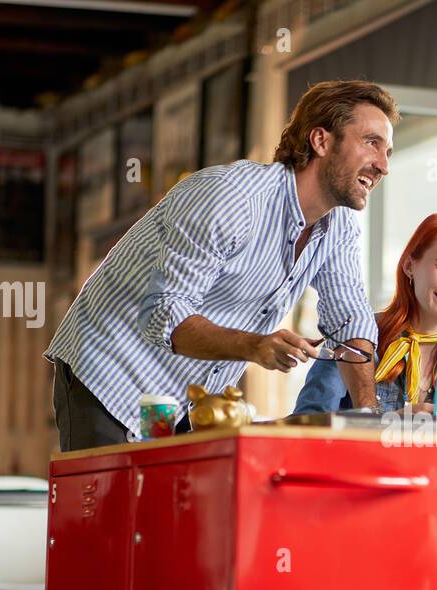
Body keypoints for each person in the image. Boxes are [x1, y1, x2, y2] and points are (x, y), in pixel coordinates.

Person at [44, 79, 399, 452]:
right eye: (371, 143)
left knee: (174, 509)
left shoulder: (338, 227)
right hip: (112, 374)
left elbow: (350, 321)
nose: (384, 165)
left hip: (186, 398)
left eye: (388, 150)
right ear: (321, 141)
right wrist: (256, 346)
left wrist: (369, 418)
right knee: (114, 509)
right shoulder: (231, 197)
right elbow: (165, 314)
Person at [293, 213, 437, 590]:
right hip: (352, 517)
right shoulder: (358, 336)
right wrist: (383, 426)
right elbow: (305, 425)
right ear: (410, 265)